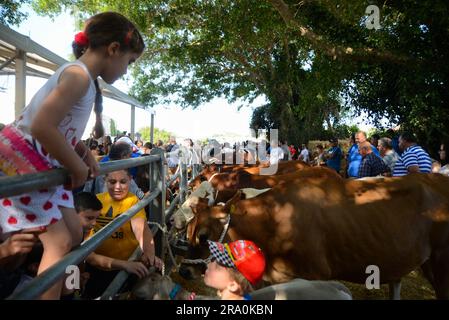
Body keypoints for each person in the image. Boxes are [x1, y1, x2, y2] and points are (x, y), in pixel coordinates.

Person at [0, 12, 144, 299]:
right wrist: (77, 165)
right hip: (24, 160)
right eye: (128, 62)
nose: (126, 71)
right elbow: (40, 125)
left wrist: (83, 153)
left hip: (39, 159)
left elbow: (61, 127)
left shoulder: (84, 80)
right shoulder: (77, 76)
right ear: (113, 49)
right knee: (60, 241)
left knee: (76, 235)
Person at [82, 170, 162, 299]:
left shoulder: (132, 201)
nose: (117, 187)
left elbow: (141, 229)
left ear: (130, 179)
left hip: (126, 268)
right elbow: (87, 249)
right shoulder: (97, 200)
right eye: (112, 182)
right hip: (98, 267)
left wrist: (149, 254)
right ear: (105, 180)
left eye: (123, 182)